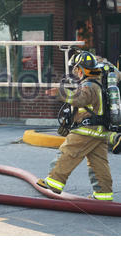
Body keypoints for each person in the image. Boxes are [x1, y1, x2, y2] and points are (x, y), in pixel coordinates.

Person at [38, 51, 115, 201]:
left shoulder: (89, 86)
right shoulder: (99, 83)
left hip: (87, 131)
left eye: (77, 69)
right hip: (100, 132)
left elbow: (79, 99)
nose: (76, 73)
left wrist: (60, 92)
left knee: (68, 153)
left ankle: (54, 181)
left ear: (82, 69)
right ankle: (103, 194)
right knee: (99, 164)